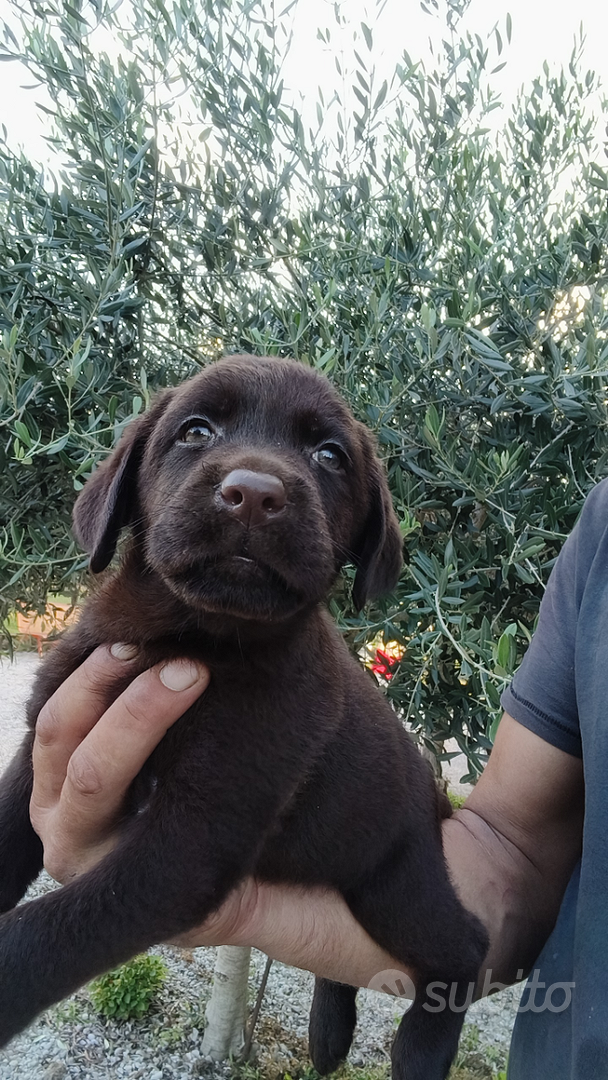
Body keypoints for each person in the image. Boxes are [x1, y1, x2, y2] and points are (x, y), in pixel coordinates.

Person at [29, 477, 608, 1078]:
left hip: (382, 828)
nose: (254, 484)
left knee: (405, 908)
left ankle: (416, 1000)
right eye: (198, 430)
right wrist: (237, 911)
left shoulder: (293, 671)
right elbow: (512, 848)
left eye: (328, 456)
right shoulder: (601, 533)